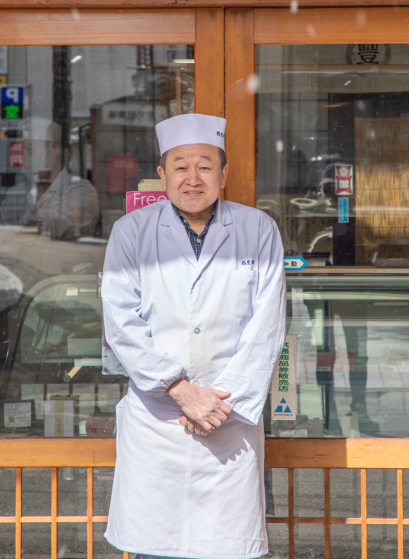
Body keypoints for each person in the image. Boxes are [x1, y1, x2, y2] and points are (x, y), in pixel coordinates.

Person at [101, 112, 286, 559]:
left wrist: (223, 403)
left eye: (205, 166)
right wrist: (180, 390)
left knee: (226, 548)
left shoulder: (258, 228)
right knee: (155, 547)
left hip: (229, 418)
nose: (193, 178)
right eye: (181, 166)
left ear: (224, 173)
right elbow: (121, 322)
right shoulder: (130, 233)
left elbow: (267, 325)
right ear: (162, 175)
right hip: (158, 418)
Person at [23, 120, 99, 239]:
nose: (27, 155)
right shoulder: (33, 189)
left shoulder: (80, 188)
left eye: (31, 149)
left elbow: (71, 225)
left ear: (55, 148)